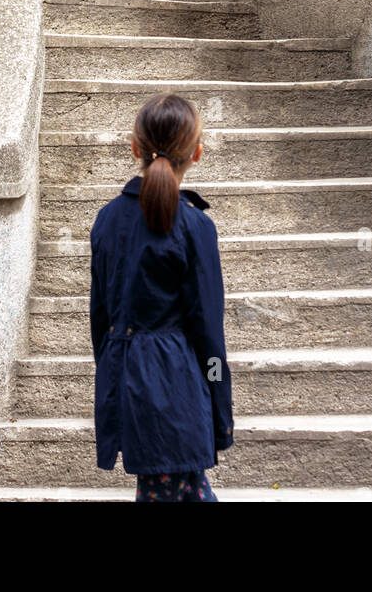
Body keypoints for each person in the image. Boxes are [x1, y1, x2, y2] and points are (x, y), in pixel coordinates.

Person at [89, 92, 233, 502]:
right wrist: (220, 407)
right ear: (197, 152)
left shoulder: (107, 220)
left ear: (135, 147)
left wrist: (115, 379)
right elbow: (209, 335)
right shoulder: (195, 226)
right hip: (178, 386)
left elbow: (100, 319)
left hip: (128, 380)